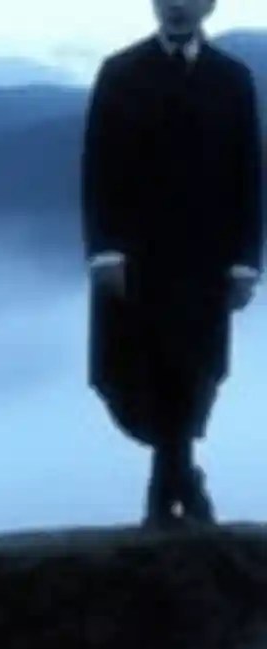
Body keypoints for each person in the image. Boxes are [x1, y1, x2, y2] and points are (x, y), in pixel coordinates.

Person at [81, 0, 263, 529]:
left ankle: (168, 493)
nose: (178, 7)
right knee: (139, 367)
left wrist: (246, 262)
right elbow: (98, 167)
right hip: (136, 257)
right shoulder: (120, 73)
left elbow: (249, 171)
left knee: (193, 368)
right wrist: (105, 250)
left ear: (208, 6)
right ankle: (182, 486)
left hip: (206, 257)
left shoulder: (232, 78)